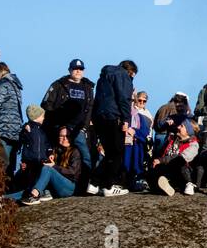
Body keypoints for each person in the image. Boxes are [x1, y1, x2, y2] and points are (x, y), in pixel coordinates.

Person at [40, 59, 95, 176]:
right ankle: (54, 181)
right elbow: (46, 104)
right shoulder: (59, 85)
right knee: (57, 155)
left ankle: (86, 182)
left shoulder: (88, 87)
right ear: (70, 70)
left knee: (85, 155)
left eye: (81, 69)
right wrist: (58, 122)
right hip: (60, 128)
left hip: (79, 129)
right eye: (75, 69)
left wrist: (84, 127)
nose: (78, 71)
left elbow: (90, 109)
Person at [90, 59, 137, 197]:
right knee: (117, 152)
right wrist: (126, 120)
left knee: (109, 152)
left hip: (100, 117)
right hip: (114, 117)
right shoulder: (123, 75)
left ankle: (94, 183)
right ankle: (108, 186)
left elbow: (97, 99)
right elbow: (124, 99)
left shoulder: (103, 77)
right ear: (131, 71)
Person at [7, 123, 84, 204]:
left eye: (67, 136)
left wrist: (54, 166)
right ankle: (3, 198)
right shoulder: (54, 151)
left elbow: (73, 172)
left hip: (69, 187)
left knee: (47, 170)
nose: (64, 138)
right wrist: (27, 166)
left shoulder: (75, 152)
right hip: (53, 188)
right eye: (61, 136)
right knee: (29, 189)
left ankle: (35, 194)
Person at [145, 118, 199, 196]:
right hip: (168, 168)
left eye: (182, 126)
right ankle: (166, 187)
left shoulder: (193, 144)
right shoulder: (173, 139)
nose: (178, 127)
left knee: (179, 161)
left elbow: (182, 157)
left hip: (183, 172)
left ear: (188, 130)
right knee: (153, 171)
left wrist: (161, 160)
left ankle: (188, 184)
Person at [0, 61, 24, 181]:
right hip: (15, 131)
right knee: (10, 164)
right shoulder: (15, 85)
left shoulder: (1, 84)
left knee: (0, 163)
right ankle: (8, 191)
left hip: (2, 128)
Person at [11, 105, 51, 197]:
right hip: (30, 161)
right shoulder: (28, 129)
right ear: (36, 117)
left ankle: (38, 192)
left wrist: (50, 151)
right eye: (42, 116)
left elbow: (46, 143)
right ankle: (29, 193)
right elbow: (21, 140)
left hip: (41, 160)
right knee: (31, 178)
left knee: (39, 176)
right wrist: (25, 129)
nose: (44, 118)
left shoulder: (42, 130)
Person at [125, 91, 153, 190]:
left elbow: (147, 130)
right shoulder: (126, 112)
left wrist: (135, 132)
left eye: (143, 101)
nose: (141, 102)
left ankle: (135, 182)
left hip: (139, 143)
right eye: (139, 100)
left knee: (138, 163)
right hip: (127, 143)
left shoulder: (146, 114)